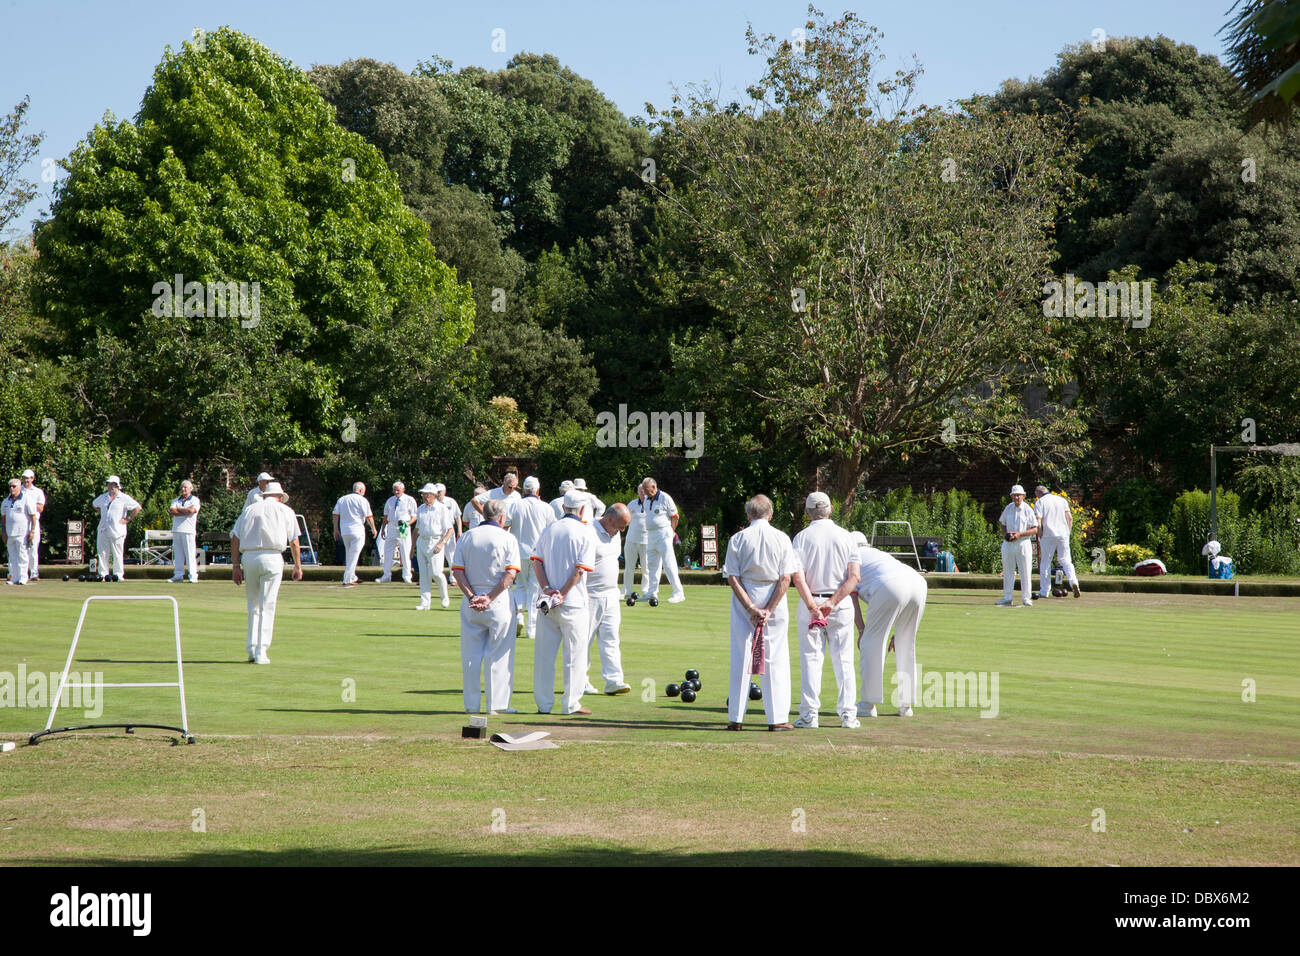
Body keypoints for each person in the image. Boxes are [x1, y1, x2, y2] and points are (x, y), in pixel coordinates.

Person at [722, 494, 798, 731]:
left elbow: (732, 578)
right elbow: (786, 578)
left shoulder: (738, 538)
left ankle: (736, 718)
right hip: (773, 596)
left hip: (746, 595)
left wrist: (751, 608)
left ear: (748, 515)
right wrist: (767, 610)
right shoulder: (782, 538)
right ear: (771, 514)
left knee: (741, 655)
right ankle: (776, 719)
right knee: (774, 657)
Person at [790, 492, 862, 729]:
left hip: (811, 602)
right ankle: (848, 716)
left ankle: (810, 715)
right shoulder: (847, 537)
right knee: (844, 661)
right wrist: (832, 602)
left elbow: (798, 577)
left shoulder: (801, 537)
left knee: (811, 659)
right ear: (831, 510)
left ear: (807, 512)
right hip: (839, 605)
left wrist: (813, 606)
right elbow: (854, 578)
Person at [531, 488, 598, 716]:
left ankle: (543, 704)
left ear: (562, 508)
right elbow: (580, 570)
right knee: (575, 655)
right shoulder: (585, 532)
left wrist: (548, 589)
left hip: (548, 602)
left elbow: (536, 562)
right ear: (581, 509)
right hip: (574, 602)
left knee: (544, 655)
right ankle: (570, 704)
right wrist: (564, 593)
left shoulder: (550, 529)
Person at [450, 498, 521, 714]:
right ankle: (497, 706)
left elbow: (457, 571)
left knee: (470, 656)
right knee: (498, 654)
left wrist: (472, 596)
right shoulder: (508, 538)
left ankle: (471, 705)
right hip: (498, 601)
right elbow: (510, 574)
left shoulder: (467, 537)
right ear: (502, 517)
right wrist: (488, 597)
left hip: (471, 602)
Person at [852, 532, 927, 718]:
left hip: (890, 585)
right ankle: (906, 706)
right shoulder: (877, 554)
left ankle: (867, 705)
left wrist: (862, 630)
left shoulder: (850, 558)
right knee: (906, 643)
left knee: (871, 643)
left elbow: (851, 596)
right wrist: (900, 634)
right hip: (918, 582)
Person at [231, 481, 302, 663]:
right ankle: (261, 652)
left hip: (249, 558)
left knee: (253, 604)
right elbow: (294, 542)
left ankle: (252, 649)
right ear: (279, 497)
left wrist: (236, 566)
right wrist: (298, 566)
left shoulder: (249, 510)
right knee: (267, 605)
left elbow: (235, 538)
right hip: (272, 556)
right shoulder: (286, 511)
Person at [585, 503, 633, 695]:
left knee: (611, 639)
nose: (622, 530)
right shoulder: (588, 532)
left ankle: (613, 680)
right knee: (584, 641)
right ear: (610, 519)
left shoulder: (616, 533)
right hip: (590, 594)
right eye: (621, 526)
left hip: (612, 594)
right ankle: (580, 681)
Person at [505, 476, 556, 639]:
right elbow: (552, 530)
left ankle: (519, 616)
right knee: (535, 590)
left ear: (524, 490)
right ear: (538, 490)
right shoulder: (546, 507)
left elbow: (504, 524)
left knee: (520, 586)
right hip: (538, 554)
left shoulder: (515, 505)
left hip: (518, 552)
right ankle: (531, 628)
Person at [642, 477, 685, 605]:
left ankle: (678, 593)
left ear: (654, 487)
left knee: (669, 564)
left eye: (646, 489)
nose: (644, 492)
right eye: (643, 489)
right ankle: (652, 592)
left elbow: (675, 517)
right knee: (652, 565)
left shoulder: (665, 498)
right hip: (651, 535)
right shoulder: (646, 500)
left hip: (663, 533)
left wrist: (671, 531)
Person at [1034, 484, 1080, 599]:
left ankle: (1044, 591)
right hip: (1063, 534)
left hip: (1048, 535)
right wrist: (1067, 533)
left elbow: (1038, 522)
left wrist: (1039, 535)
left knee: (1045, 562)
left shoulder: (1040, 502)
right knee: (1066, 561)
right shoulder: (1061, 500)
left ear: (1038, 494)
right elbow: (1070, 518)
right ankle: (1074, 582)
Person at [413, 483, 454, 610]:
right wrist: (412, 547)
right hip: (422, 542)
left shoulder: (442, 509)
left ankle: (444, 596)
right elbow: (417, 529)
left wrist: (441, 544)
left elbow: (450, 529)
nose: (425, 497)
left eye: (427, 495)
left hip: (436, 542)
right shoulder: (420, 509)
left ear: (434, 495)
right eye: (423, 495)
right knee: (424, 574)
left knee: (436, 573)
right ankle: (425, 603)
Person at [91, 476, 140, 580]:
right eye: (109, 484)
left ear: (117, 485)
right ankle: (103, 574)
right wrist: (101, 513)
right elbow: (94, 504)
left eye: (113, 484)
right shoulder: (103, 497)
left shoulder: (123, 498)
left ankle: (118, 575)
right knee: (102, 553)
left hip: (118, 530)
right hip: (103, 529)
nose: (110, 486)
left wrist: (128, 519)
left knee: (117, 554)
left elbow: (137, 507)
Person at [997, 484, 1038, 606]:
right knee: (1008, 570)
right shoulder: (1008, 508)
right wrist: (1006, 534)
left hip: (1023, 543)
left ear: (1023, 496)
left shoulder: (1028, 509)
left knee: (1025, 571)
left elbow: (1035, 529)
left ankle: (1026, 598)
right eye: (1014, 495)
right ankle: (1007, 597)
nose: (1016, 497)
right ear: (1011, 496)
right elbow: (1003, 523)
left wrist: (1019, 534)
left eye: (1018, 495)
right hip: (1008, 544)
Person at [332, 482, 377, 587]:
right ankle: (347, 579)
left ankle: (352, 577)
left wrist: (336, 529)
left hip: (345, 531)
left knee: (349, 554)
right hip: (357, 531)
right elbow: (369, 516)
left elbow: (335, 514)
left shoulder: (342, 499)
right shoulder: (362, 500)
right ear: (361, 490)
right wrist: (373, 528)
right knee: (354, 555)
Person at [377, 480, 417, 584]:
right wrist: (383, 529)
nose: (396, 492)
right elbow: (386, 516)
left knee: (405, 552)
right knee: (387, 551)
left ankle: (407, 576)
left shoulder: (409, 500)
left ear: (403, 490)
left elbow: (414, 516)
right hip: (391, 527)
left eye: (398, 490)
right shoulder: (390, 500)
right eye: (394, 490)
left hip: (403, 527)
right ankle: (386, 576)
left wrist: (407, 524)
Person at [2, 479, 35, 586]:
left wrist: (32, 531)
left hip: (22, 533)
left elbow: (33, 516)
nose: (12, 488)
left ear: (19, 487)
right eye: (10, 486)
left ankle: (23, 577)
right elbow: (3, 518)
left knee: (22, 556)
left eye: (14, 486)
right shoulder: (6, 501)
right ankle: (14, 577)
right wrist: (3, 532)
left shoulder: (26, 498)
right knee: (12, 557)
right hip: (10, 533)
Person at [168, 480, 201, 583]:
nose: (183, 489)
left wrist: (180, 510)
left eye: (185, 487)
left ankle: (193, 576)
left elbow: (191, 511)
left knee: (190, 554)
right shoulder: (176, 500)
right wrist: (185, 510)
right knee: (178, 555)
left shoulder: (195, 500)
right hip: (177, 530)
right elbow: (172, 511)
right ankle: (178, 575)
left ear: (191, 489)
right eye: (182, 487)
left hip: (188, 530)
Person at [622, 481, 650, 601]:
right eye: (640, 490)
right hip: (631, 540)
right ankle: (626, 591)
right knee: (629, 567)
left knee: (646, 568)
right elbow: (625, 520)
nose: (642, 492)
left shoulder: (652, 504)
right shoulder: (632, 504)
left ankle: (646, 591)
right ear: (638, 492)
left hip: (647, 541)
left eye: (644, 490)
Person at [19, 469, 44, 581]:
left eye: (28, 478)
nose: (26, 480)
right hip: (21, 522)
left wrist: (29, 503)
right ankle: (21, 573)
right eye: (24, 478)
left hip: (34, 522)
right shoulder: (18, 490)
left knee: (33, 548)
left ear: (32, 479)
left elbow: (40, 508)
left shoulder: (38, 492)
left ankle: (34, 573)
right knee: (21, 549)